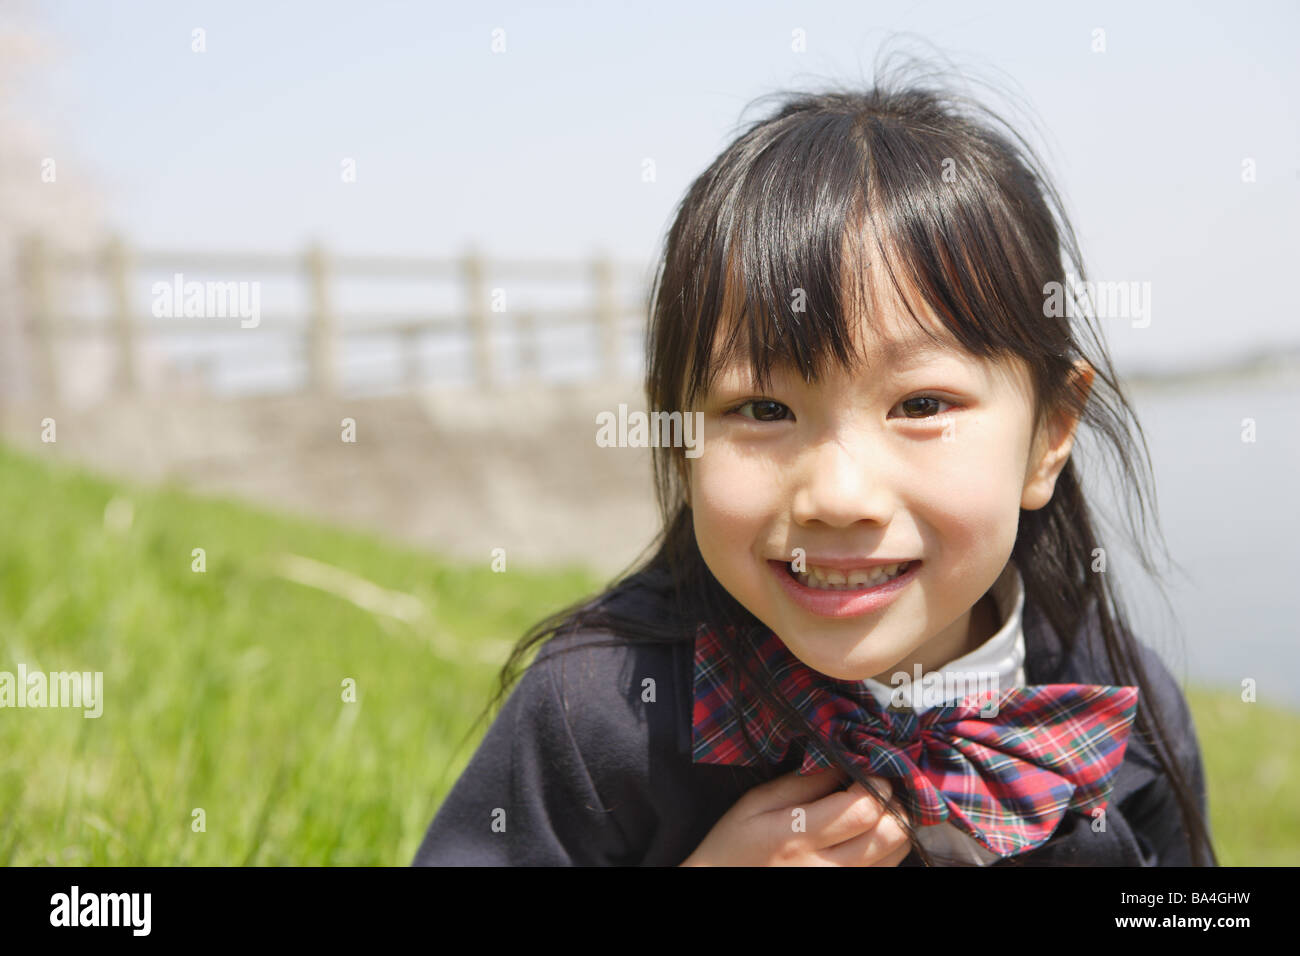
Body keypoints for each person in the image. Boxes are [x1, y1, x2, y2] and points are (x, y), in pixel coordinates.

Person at [412, 60, 1216, 867]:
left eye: (922, 406)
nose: (838, 496)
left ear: (1049, 433)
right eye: (763, 410)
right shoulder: (601, 716)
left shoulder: (1118, 713)